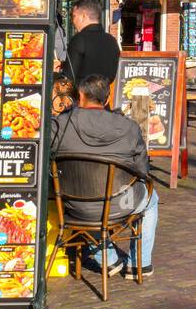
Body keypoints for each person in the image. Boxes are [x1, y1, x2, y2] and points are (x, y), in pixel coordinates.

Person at [51, 74, 158, 279]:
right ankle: (139, 265)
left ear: (80, 96)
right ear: (107, 99)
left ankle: (107, 258)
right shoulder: (129, 127)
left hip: (73, 205)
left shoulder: (60, 124)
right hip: (120, 203)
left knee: (88, 196)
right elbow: (143, 170)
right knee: (151, 199)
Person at [64, 0, 121, 88]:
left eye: (73, 16)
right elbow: (112, 75)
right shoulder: (112, 41)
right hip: (104, 97)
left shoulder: (79, 39)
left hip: (81, 97)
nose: (72, 21)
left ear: (83, 16)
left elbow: (69, 76)